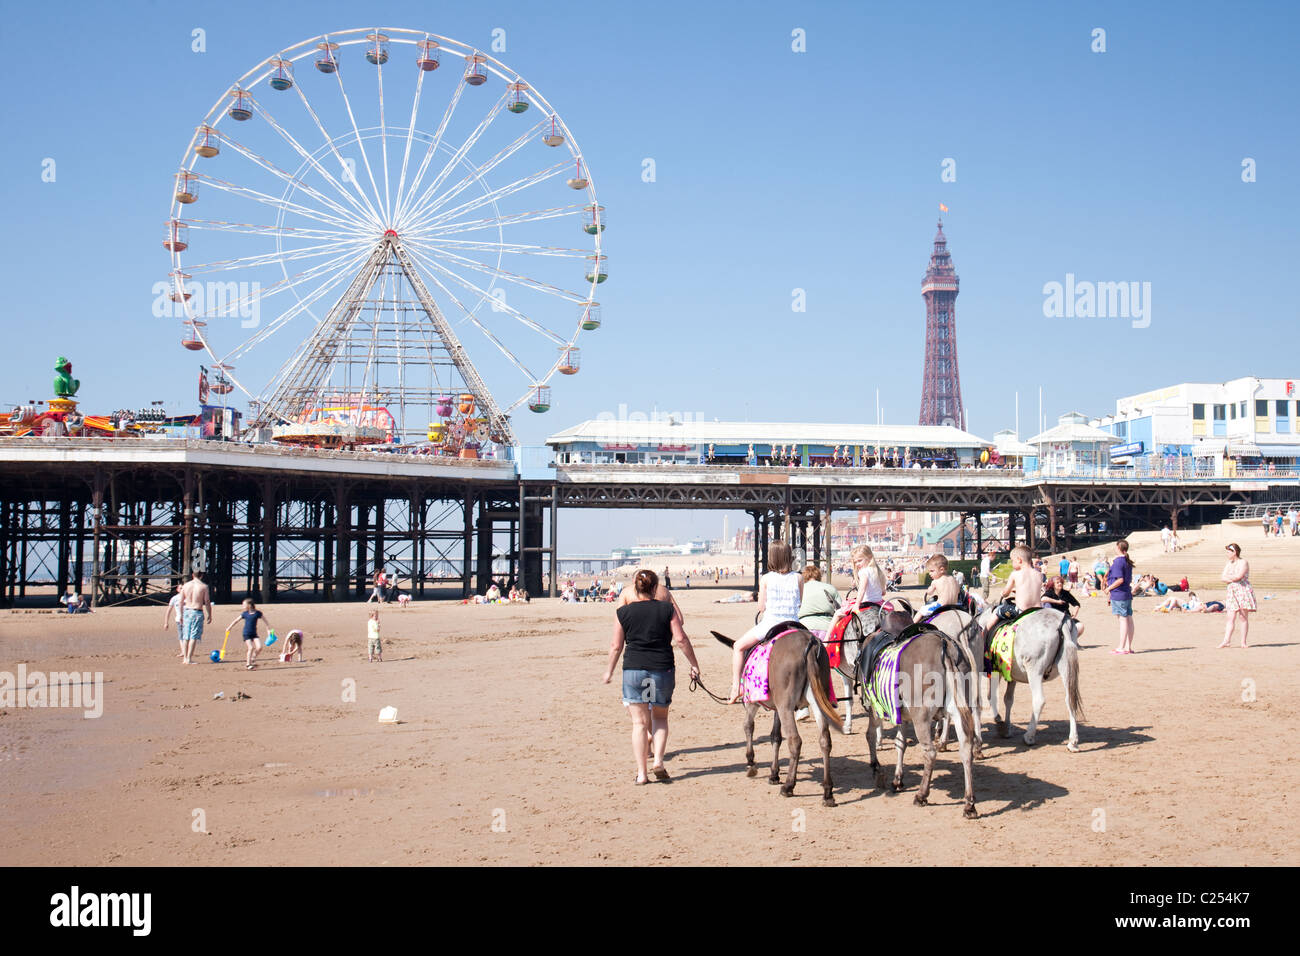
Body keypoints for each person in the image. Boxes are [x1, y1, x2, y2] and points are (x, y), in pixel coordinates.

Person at [602, 569, 700, 784]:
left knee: (639, 723)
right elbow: (681, 638)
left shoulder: (623, 612)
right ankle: (658, 761)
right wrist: (694, 664)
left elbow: (616, 645)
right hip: (661, 668)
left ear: (635, 588)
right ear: (656, 588)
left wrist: (609, 670)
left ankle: (642, 774)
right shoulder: (666, 608)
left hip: (634, 669)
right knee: (660, 718)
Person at [727, 541, 802, 704]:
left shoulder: (766, 578)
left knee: (738, 646)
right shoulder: (798, 577)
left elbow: (761, 607)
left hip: (772, 624)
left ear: (772, 558)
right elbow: (799, 603)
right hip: (795, 625)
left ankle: (736, 687)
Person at [1217, 543, 1256, 648]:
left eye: (1229, 551)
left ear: (1235, 552)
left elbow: (1239, 576)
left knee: (1243, 617)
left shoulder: (1243, 562)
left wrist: (1229, 577)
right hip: (1232, 591)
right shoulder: (1229, 563)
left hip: (1242, 590)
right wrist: (1230, 578)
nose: (1227, 553)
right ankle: (1226, 640)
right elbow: (1222, 578)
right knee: (1230, 617)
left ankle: (1243, 642)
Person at [1104, 540, 1135, 654]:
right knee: (1129, 619)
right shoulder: (1127, 562)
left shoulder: (1118, 562)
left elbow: (1120, 579)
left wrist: (1109, 589)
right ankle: (1128, 646)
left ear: (1119, 548)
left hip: (1119, 593)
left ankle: (1121, 647)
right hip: (1126, 593)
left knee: (1123, 620)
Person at [225, 598, 270, 670]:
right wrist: (229, 627)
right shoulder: (245, 614)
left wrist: (268, 631)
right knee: (251, 648)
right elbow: (236, 621)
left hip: (254, 634)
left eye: (244, 605)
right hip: (246, 633)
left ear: (249, 605)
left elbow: (266, 622)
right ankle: (248, 664)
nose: (243, 606)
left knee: (259, 647)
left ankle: (253, 658)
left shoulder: (258, 613)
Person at [797, 564, 840, 638]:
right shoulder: (830, 588)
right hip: (827, 628)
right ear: (819, 576)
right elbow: (840, 610)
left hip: (804, 627)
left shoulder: (800, 589)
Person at [179, 571, 212, 665]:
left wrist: (180, 615)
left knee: (186, 636)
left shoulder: (185, 585)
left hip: (187, 611)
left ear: (192, 575)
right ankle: (189, 658)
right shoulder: (204, 586)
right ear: (201, 576)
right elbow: (207, 601)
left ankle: (185, 658)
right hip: (197, 611)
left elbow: (181, 601)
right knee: (193, 636)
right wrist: (210, 614)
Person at [999, 545, 1043, 612]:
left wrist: (1003, 593)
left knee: (997, 612)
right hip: (1037, 610)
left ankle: (989, 623)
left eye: (1012, 561)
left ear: (1019, 560)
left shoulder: (1015, 574)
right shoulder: (1039, 574)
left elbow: (1006, 593)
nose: (1012, 563)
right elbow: (1030, 588)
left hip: (1021, 610)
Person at [162, 583, 185, 657]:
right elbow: (169, 610)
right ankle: (183, 652)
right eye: (180, 588)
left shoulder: (188, 597)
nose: (182, 590)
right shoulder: (174, 598)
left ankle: (186, 651)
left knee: (188, 636)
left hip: (188, 619)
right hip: (179, 620)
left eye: (183, 588)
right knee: (181, 637)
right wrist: (166, 622)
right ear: (177, 590)